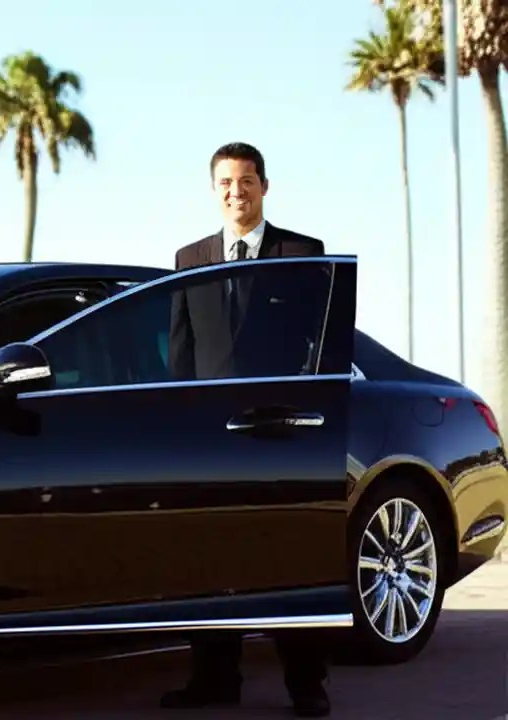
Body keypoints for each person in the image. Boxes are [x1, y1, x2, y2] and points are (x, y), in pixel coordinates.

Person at [160, 141, 331, 718]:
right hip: (210, 442)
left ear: (265, 186)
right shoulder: (188, 259)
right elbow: (181, 357)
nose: (238, 191)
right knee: (211, 563)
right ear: (215, 190)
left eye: (248, 181)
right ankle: (214, 678)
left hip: (281, 437)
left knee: (289, 562)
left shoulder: (302, 252)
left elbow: (318, 345)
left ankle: (307, 685)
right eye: (227, 183)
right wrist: (180, 432)